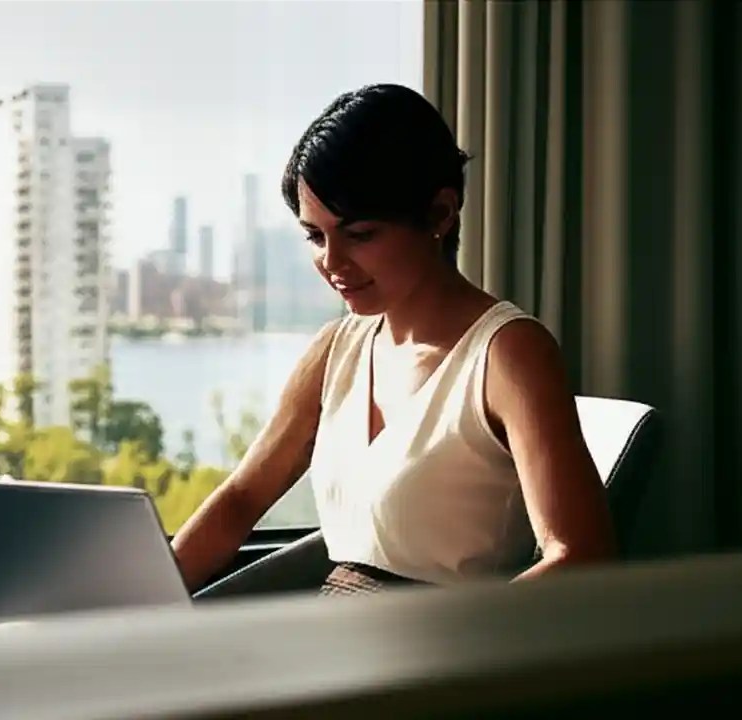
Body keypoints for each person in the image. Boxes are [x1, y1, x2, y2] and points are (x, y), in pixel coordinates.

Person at [171, 84, 615, 596]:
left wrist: (462, 649)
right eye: (316, 236)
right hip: (337, 645)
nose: (332, 263)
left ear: (441, 214)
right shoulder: (336, 350)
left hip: (448, 658)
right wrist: (132, 606)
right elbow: (240, 502)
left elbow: (580, 556)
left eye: (359, 234)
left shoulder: (509, 355)